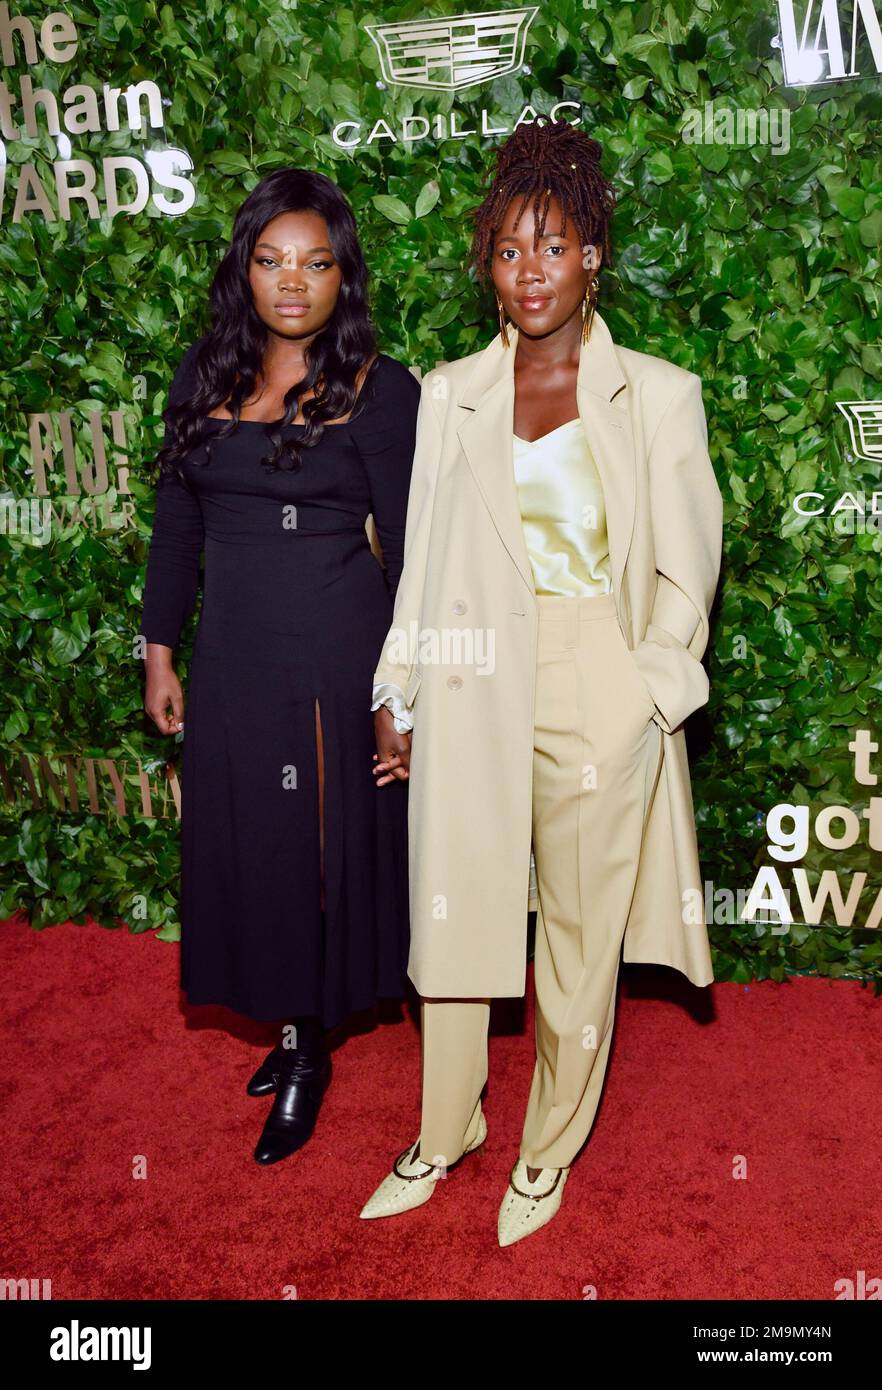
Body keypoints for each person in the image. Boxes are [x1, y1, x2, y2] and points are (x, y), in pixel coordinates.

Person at [363, 120, 723, 1245]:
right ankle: (445, 1127)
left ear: (593, 254)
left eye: (553, 247)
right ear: (489, 261)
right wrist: (400, 681)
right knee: (455, 915)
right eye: (510, 251)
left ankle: (546, 1148)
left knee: (578, 935)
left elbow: (687, 567)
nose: (530, 273)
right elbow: (422, 555)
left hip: (594, 683)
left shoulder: (659, 394)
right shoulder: (450, 393)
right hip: (471, 676)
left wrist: (647, 690)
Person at [139, 168, 419, 1166]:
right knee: (252, 839)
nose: (291, 283)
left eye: (315, 262)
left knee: (312, 845)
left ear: (343, 275)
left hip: (337, 647)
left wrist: (402, 690)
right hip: (234, 657)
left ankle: (305, 1050)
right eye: (270, 260)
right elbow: (178, 529)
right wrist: (160, 648)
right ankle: (290, 1017)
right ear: (243, 268)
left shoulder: (381, 389)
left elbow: (422, 554)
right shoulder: (201, 376)